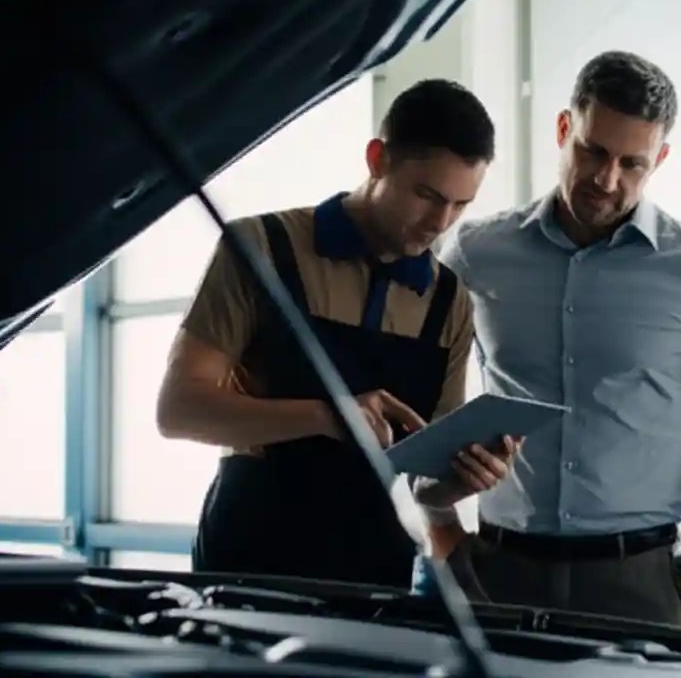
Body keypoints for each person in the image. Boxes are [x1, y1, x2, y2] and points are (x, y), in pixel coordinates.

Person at [416, 51, 681, 626]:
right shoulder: (475, 254)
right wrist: (440, 527)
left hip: (642, 582)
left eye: (633, 164)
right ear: (564, 129)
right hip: (497, 573)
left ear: (660, 159)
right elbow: (425, 402)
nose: (608, 180)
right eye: (593, 152)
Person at [156, 78, 521, 588]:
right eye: (426, 195)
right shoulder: (260, 248)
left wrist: (458, 483)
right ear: (377, 159)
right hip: (248, 561)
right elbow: (177, 411)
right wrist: (330, 415)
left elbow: (425, 482)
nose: (440, 222)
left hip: (377, 572)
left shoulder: (449, 300)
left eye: (461, 204)